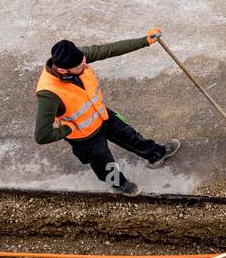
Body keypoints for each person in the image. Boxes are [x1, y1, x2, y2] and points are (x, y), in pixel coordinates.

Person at [34, 29, 179, 197]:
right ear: (63, 70)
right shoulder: (48, 94)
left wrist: (144, 41)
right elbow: (41, 136)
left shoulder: (76, 57)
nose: (86, 65)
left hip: (101, 114)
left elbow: (108, 49)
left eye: (84, 61)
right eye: (81, 66)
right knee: (103, 161)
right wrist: (68, 129)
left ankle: (156, 154)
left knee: (131, 135)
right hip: (84, 135)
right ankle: (119, 184)